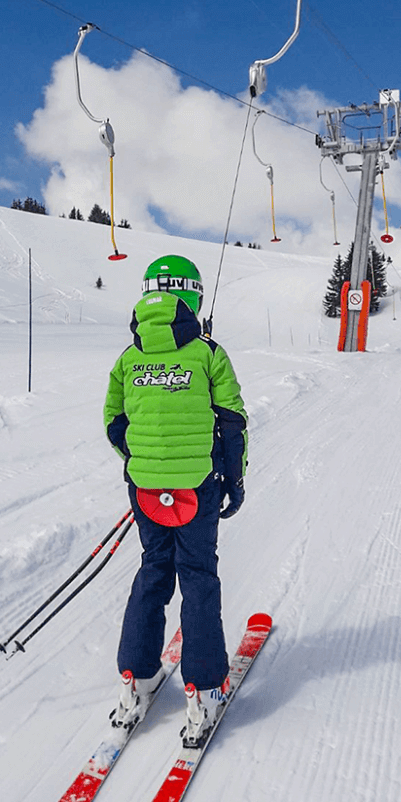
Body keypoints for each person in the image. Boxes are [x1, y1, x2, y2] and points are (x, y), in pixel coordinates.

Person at [103, 255, 248, 746]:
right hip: (196, 487)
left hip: (146, 489)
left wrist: (139, 460)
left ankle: (136, 678)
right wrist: (234, 479)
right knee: (198, 576)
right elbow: (231, 421)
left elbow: (113, 423)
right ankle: (204, 690)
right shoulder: (209, 353)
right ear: (194, 297)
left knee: (153, 570)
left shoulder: (129, 356)